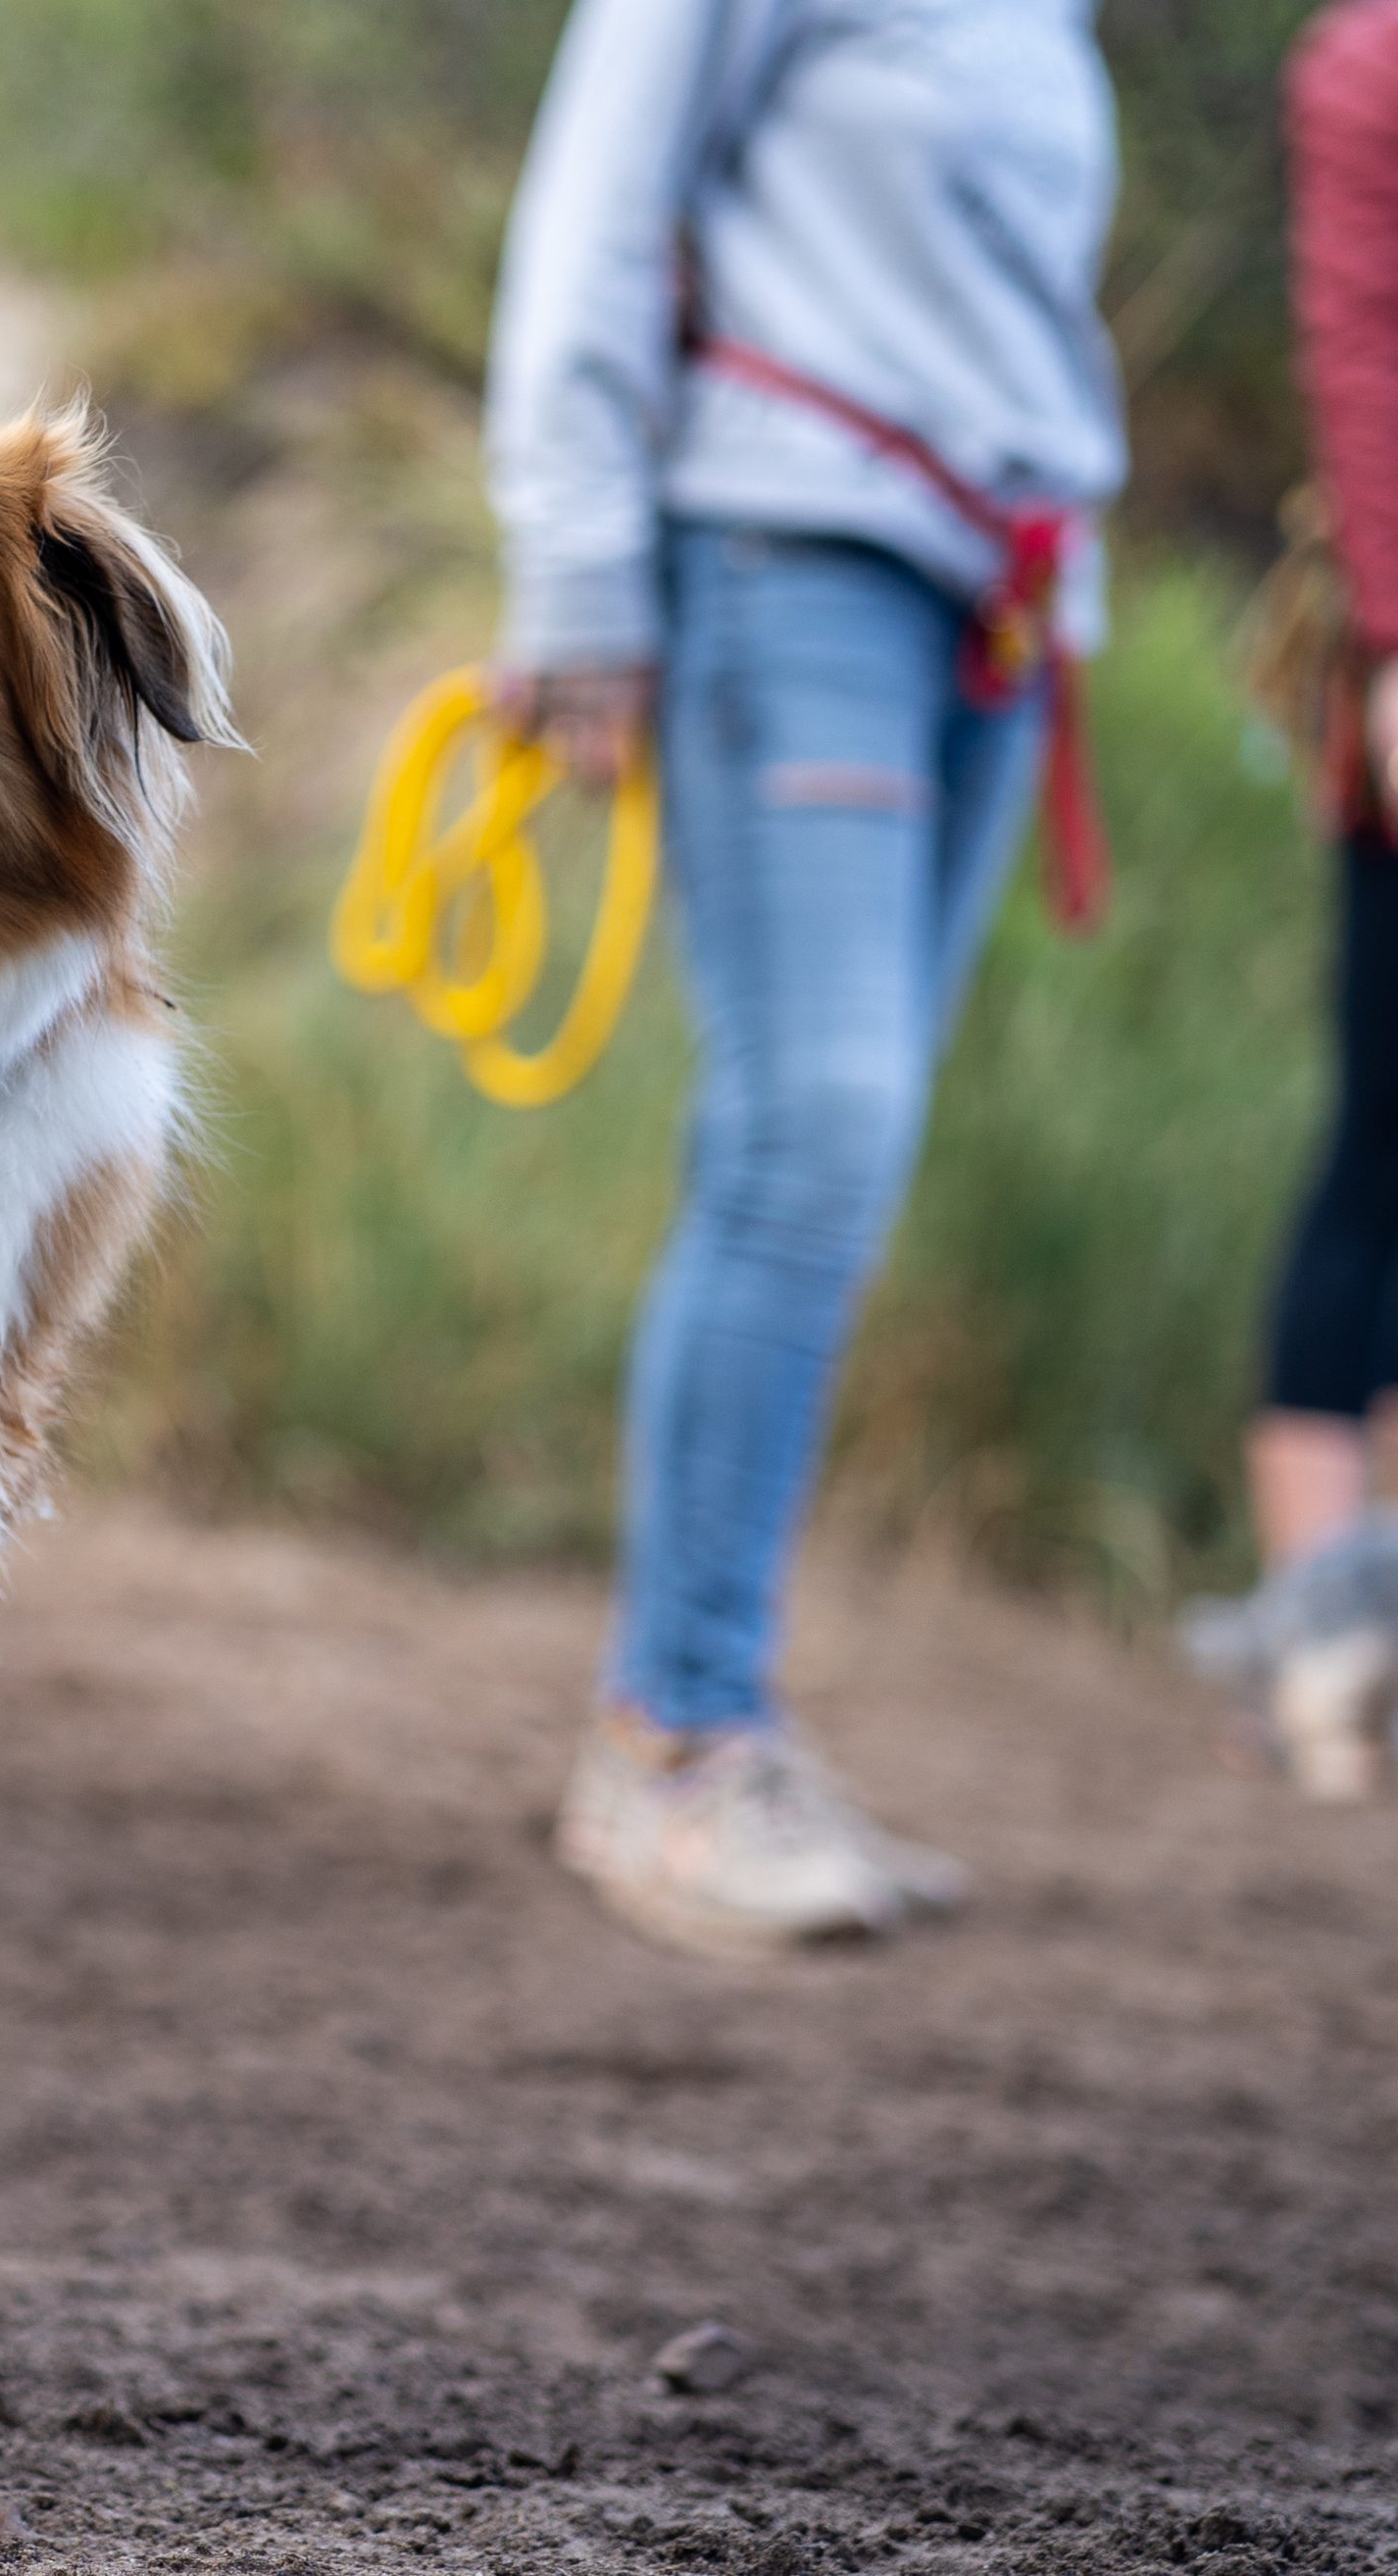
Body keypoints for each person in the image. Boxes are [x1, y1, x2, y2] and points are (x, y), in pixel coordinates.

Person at [482, 0, 1125, 1954]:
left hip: (992, 604)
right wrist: (578, 576)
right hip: (790, 557)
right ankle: (670, 1747)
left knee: (837, 1151)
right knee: (809, 1134)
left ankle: (711, 1712)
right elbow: (591, 211)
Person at [1245, 0, 1398, 1586]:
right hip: (1397, 680)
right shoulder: (1372, 64)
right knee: (1380, 1145)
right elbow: (1363, 356)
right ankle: (1322, 1628)